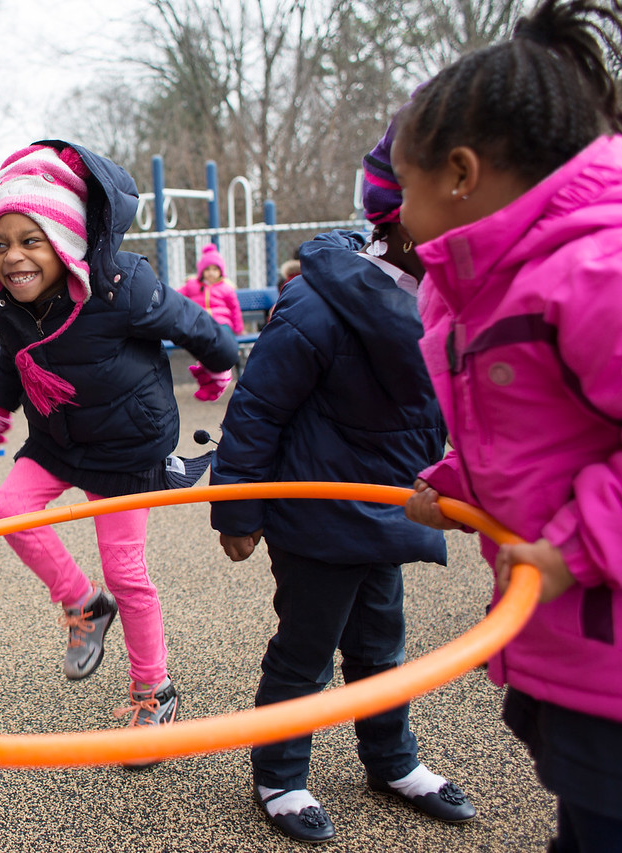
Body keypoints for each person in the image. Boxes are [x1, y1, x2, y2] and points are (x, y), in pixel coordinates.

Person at [395, 2, 622, 849]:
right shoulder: (503, 280)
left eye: (403, 186)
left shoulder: (604, 264)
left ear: (458, 173)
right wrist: (458, 485)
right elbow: (545, 431)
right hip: (577, 638)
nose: (393, 213)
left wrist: (576, 549)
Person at [208, 115, 476, 843]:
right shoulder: (320, 302)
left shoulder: (443, 306)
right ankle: (278, 775)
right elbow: (258, 405)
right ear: (407, 220)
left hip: (384, 509)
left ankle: (391, 762)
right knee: (304, 650)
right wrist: (236, 508)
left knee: (380, 647)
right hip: (316, 514)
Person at [0, 140, 238, 757]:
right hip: (57, 437)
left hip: (125, 448)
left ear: (66, 239)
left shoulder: (120, 288)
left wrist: (216, 371)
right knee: (10, 509)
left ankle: (153, 694)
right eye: (0, 245)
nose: (12, 258)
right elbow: (15, 355)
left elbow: (196, 326)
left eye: (31, 240)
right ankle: (83, 603)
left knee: (127, 571)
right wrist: (0, 409)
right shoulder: (5, 305)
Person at [178, 244, 243, 400]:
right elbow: (176, 297)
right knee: (202, 343)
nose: (211, 273)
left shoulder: (226, 289)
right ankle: (209, 379)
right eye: (207, 270)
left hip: (222, 324)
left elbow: (234, 309)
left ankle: (221, 375)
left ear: (221, 272)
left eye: (215, 269)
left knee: (222, 341)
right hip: (200, 323)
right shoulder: (192, 286)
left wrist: (238, 327)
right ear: (201, 272)